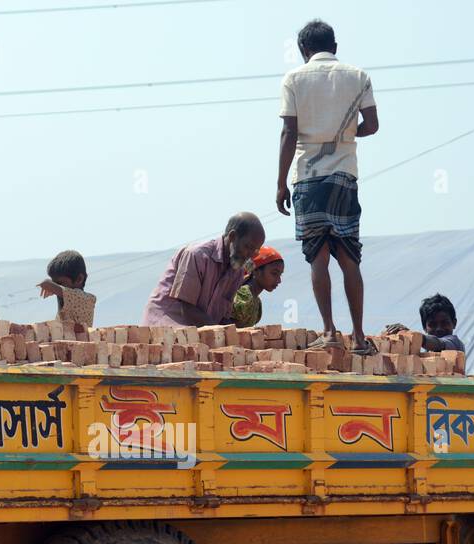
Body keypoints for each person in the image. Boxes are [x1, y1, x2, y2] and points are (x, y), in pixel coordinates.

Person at [275, 19, 379, 351]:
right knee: (349, 259)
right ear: (334, 46)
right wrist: (347, 135)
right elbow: (373, 125)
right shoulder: (358, 76)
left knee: (318, 259)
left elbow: (289, 133)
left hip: (308, 177)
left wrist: (280, 184)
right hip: (344, 176)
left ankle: (330, 332)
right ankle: (360, 337)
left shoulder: (293, 79)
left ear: (304, 51)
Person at [142, 212, 265, 327]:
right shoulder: (197, 255)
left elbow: (222, 316)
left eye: (255, 251)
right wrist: (219, 331)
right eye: (248, 247)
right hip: (165, 327)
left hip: (196, 334)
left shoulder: (237, 271)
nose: (250, 255)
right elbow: (187, 308)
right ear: (232, 237)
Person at [386, 294, 466, 356]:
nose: (439, 328)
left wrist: (411, 335)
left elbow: (439, 344)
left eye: (444, 323)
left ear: (454, 323)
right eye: (433, 324)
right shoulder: (423, 352)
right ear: (424, 327)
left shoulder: (455, 343)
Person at [229, 245, 285, 330]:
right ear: (256, 271)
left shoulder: (256, 301)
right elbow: (229, 331)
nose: (279, 280)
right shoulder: (244, 296)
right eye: (274, 273)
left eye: (280, 275)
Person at [38, 249, 97, 329]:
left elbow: (47, 284)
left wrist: (48, 284)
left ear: (79, 279)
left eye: (60, 283)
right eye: (54, 283)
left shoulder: (84, 299)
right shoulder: (66, 300)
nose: (55, 286)